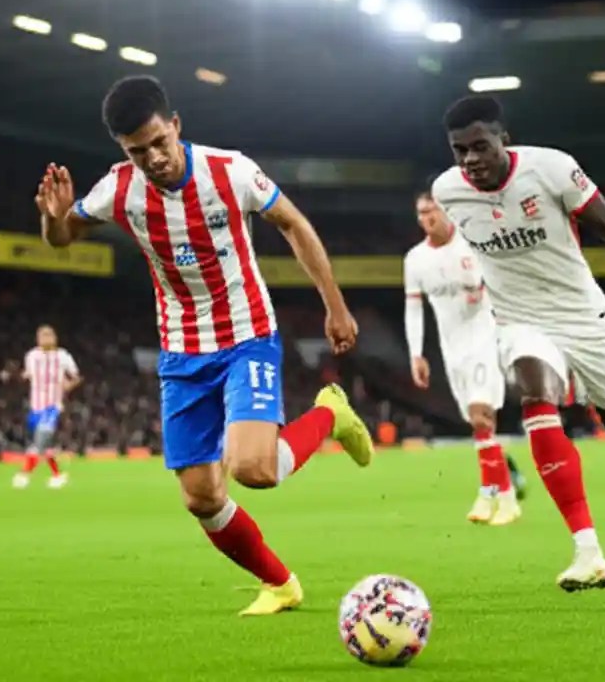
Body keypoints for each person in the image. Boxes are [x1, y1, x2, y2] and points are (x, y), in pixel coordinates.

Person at [33, 75, 373, 615]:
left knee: (255, 470)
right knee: (202, 497)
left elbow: (293, 224)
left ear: (176, 126)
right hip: (182, 354)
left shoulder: (229, 170)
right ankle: (281, 584)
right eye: (137, 151)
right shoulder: (119, 188)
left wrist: (334, 305)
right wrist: (53, 217)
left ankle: (330, 414)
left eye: (159, 143)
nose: (153, 159)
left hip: (247, 336)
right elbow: (61, 239)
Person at [430, 94, 605, 591]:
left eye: (480, 146)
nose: (470, 161)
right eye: (459, 151)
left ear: (505, 138)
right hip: (521, 319)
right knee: (535, 395)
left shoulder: (552, 170)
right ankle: (587, 551)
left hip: (586, 317)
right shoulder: (447, 191)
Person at [404, 191, 520, 526]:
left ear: (445, 211)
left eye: (432, 211)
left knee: (480, 415)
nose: (427, 219)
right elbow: (414, 309)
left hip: (484, 340)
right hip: (450, 349)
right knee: (478, 424)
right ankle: (488, 492)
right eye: (421, 212)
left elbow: (502, 285)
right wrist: (416, 353)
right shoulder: (415, 259)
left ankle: (507, 497)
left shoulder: (472, 245)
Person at [11, 325, 80, 489]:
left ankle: (24, 474)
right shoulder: (32, 355)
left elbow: (76, 376)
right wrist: (14, 375)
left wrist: (69, 385)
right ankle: (58, 476)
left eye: (49, 335)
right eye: (43, 335)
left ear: (55, 338)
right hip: (36, 406)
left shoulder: (63, 356)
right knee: (46, 445)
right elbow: (28, 375)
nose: (46, 338)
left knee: (40, 441)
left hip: (53, 407)